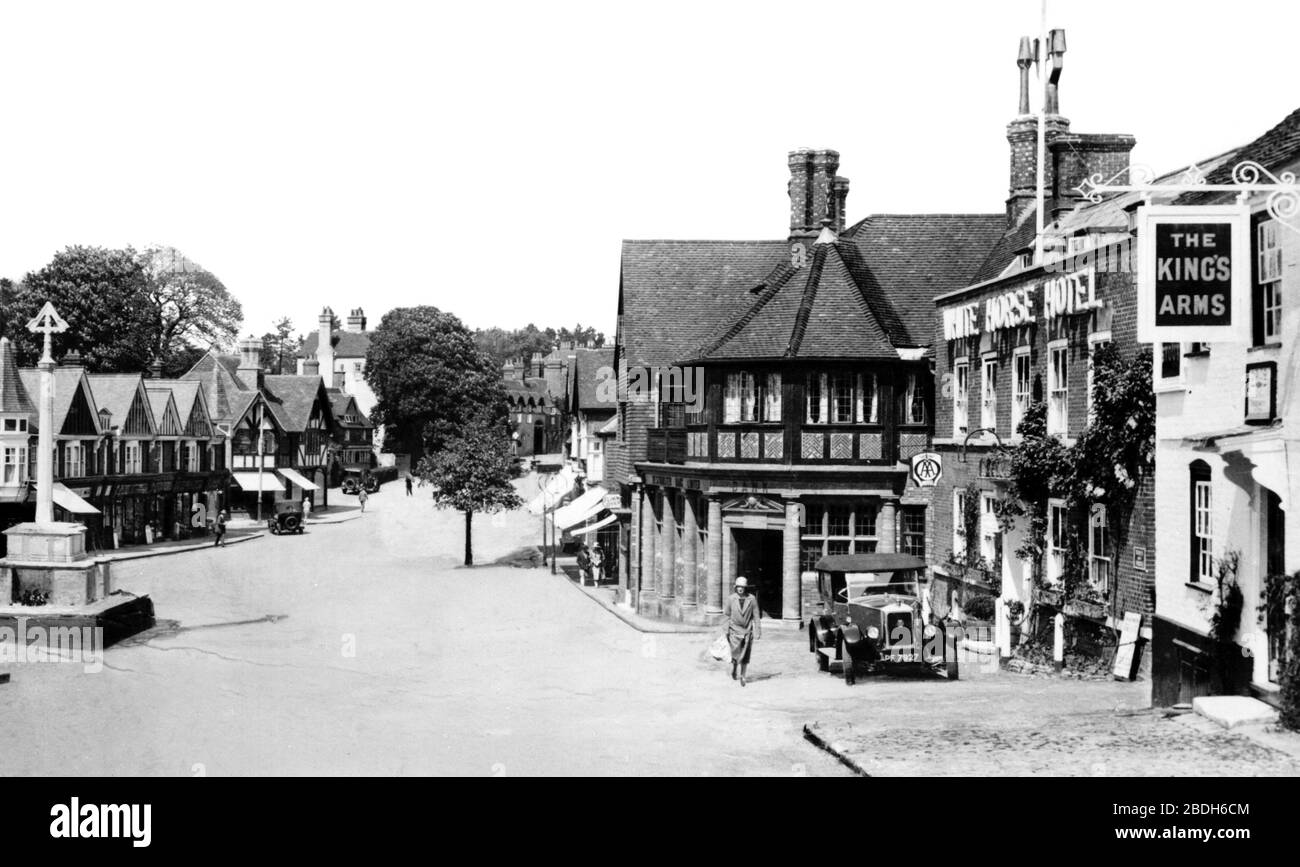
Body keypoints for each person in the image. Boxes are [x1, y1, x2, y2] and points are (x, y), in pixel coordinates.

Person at [723, 576, 761, 686]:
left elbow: (756, 615)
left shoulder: (752, 599)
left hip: (747, 630)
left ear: (745, 588)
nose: (740, 589)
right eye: (738, 587)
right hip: (734, 630)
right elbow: (726, 615)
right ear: (736, 587)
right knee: (735, 654)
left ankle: (743, 676)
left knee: (746, 654)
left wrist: (757, 630)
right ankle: (735, 667)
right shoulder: (731, 599)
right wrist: (726, 629)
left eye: (742, 587)